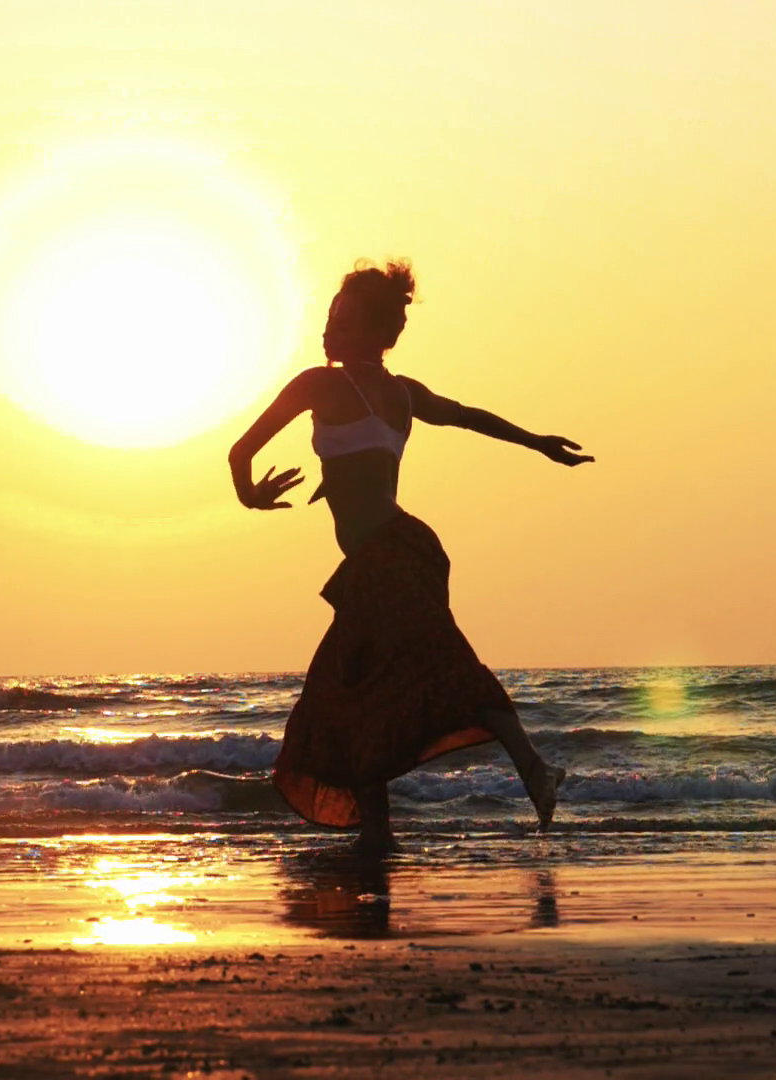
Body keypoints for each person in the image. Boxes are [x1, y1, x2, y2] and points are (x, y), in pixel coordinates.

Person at [229, 259, 592, 856]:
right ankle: (381, 829)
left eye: (344, 321)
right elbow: (467, 418)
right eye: (330, 317)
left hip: (387, 559)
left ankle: (530, 770)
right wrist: (538, 444)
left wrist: (250, 495)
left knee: (433, 669)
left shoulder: (318, 384)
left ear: (378, 332)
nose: (329, 329)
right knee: (357, 687)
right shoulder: (404, 394)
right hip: (403, 551)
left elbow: (239, 452)